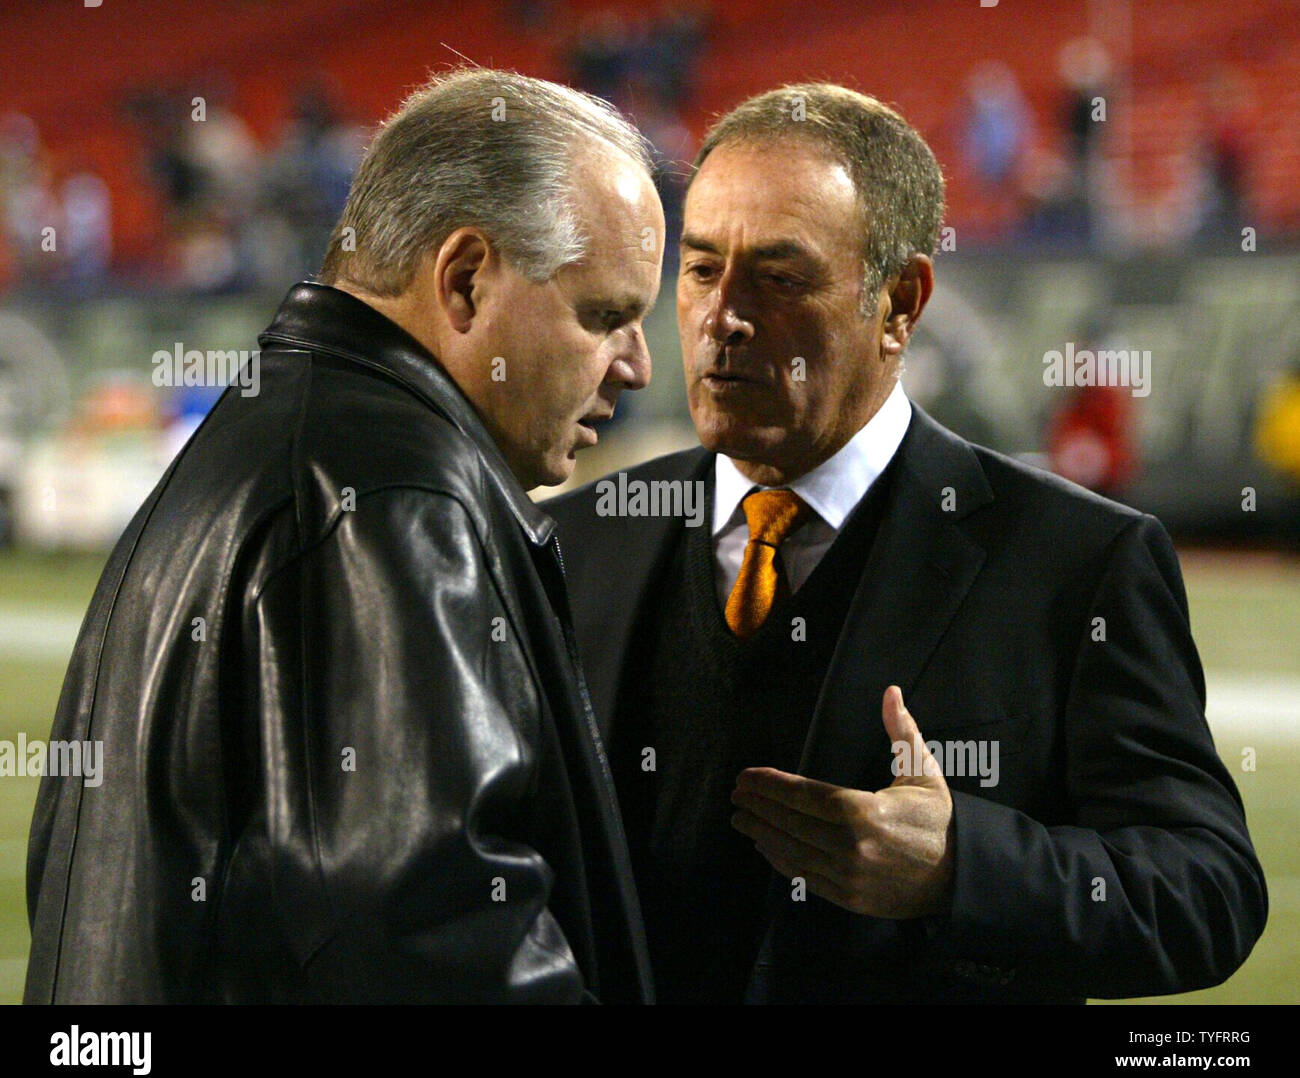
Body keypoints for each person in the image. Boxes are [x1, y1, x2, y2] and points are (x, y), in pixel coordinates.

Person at [543, 83, 1267, 1004]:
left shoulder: (1077, 563)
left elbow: (1207, 889)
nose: (722, 314)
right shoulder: (575, 543)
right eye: (699, 268)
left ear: (900, 302)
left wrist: (964, 866)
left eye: (779, 276)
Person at [25, 67, 665, 1004]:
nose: (639, 368)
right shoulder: (395, 498)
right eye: (603, 316)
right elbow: (440, 939)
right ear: (465, 280)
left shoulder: (259, 443)